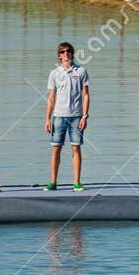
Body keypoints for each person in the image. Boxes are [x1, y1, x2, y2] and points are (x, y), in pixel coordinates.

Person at [44, 42, 90, 191]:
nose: (66, 54)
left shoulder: (81, 71)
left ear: (72, 54)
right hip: (58, 116)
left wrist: (84, 116)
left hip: (76, 116)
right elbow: (51, 97)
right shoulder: (54, 73)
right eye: (63, 52)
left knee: (76, 148)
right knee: (56, 149)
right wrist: (47, 118)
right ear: (59, 55)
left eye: (69, 51)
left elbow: (86, 94)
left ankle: (76, 182)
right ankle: (53, 182)